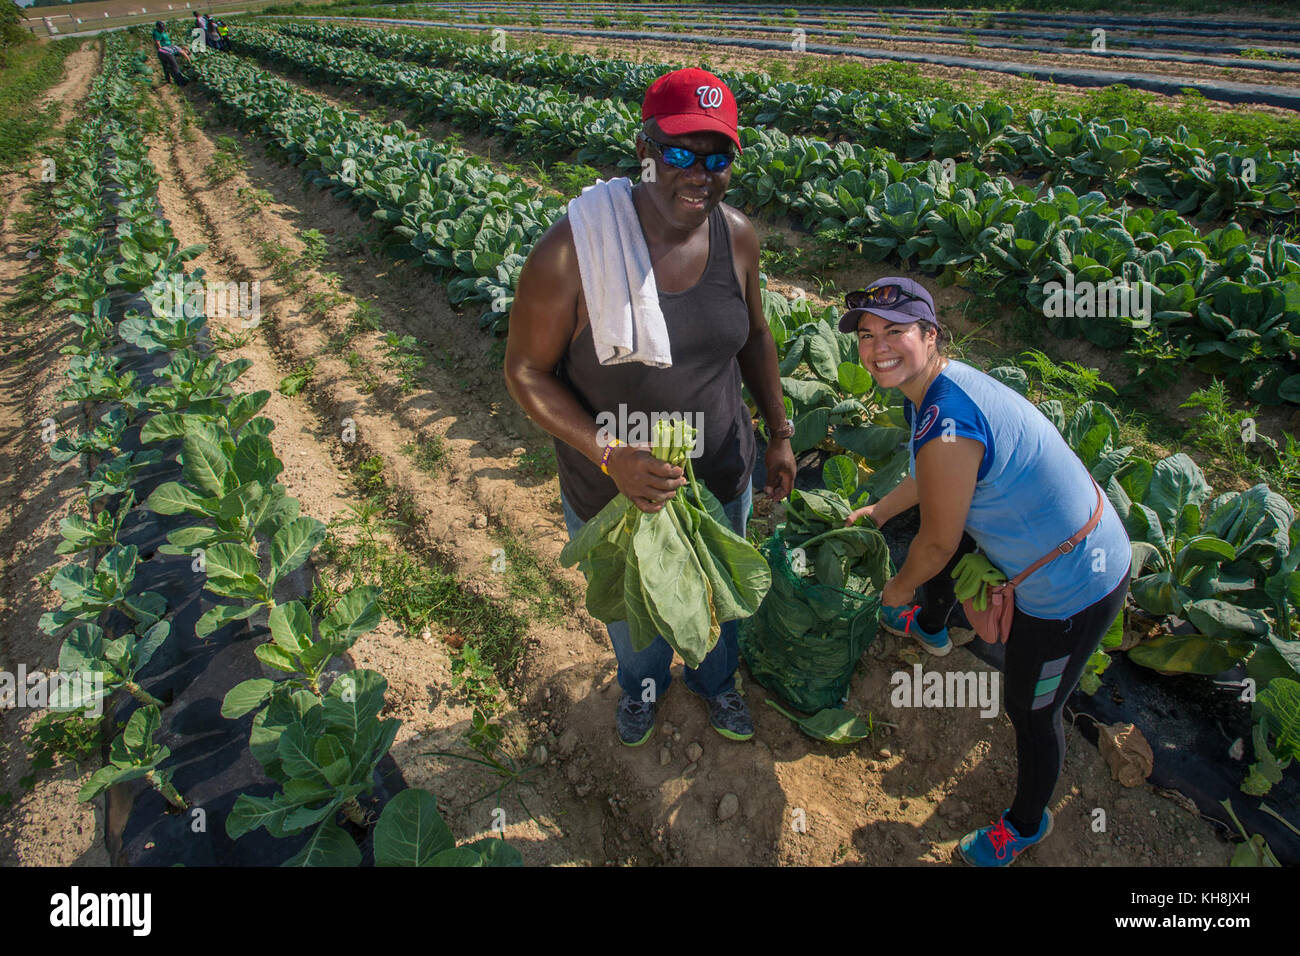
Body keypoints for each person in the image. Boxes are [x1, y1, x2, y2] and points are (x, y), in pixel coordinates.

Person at [505, 68, 796, 747]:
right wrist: (610, 455)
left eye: (717, 157)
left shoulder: (737, 236)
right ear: (646, 145)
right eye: (681, 153)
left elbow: (754, 336)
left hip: (720, 470)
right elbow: (525, 371)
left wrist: (779, 432)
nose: (700, 173)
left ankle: (716, 684)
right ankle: (643, 688)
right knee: (635, 612)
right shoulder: (573, 251)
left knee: (716, 598)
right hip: (614, 487)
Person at [841, 277, 1131, 866]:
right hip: (1053, 543)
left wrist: (892, 594)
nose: (877, 348)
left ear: (930, 334)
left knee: (1031, 710)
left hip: (1077, 587)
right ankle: (934, 629)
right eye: (867, 336)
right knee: (958, 541)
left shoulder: (948, 416)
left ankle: (1025, 825)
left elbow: (938, 541)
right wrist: (879, 510)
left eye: (894, 332)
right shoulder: (936, 388)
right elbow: (935, 478)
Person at [152, 20, 190, 84]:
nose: (162, 29)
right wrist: (189, 61)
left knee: (166, 66)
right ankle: (181, 82)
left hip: (163, 51)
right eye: (161, 28)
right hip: (166, 52)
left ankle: (168, 80)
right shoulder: (178, 48)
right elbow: (157, 43)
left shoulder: (173, 46)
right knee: (175, 67)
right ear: (158, 27)